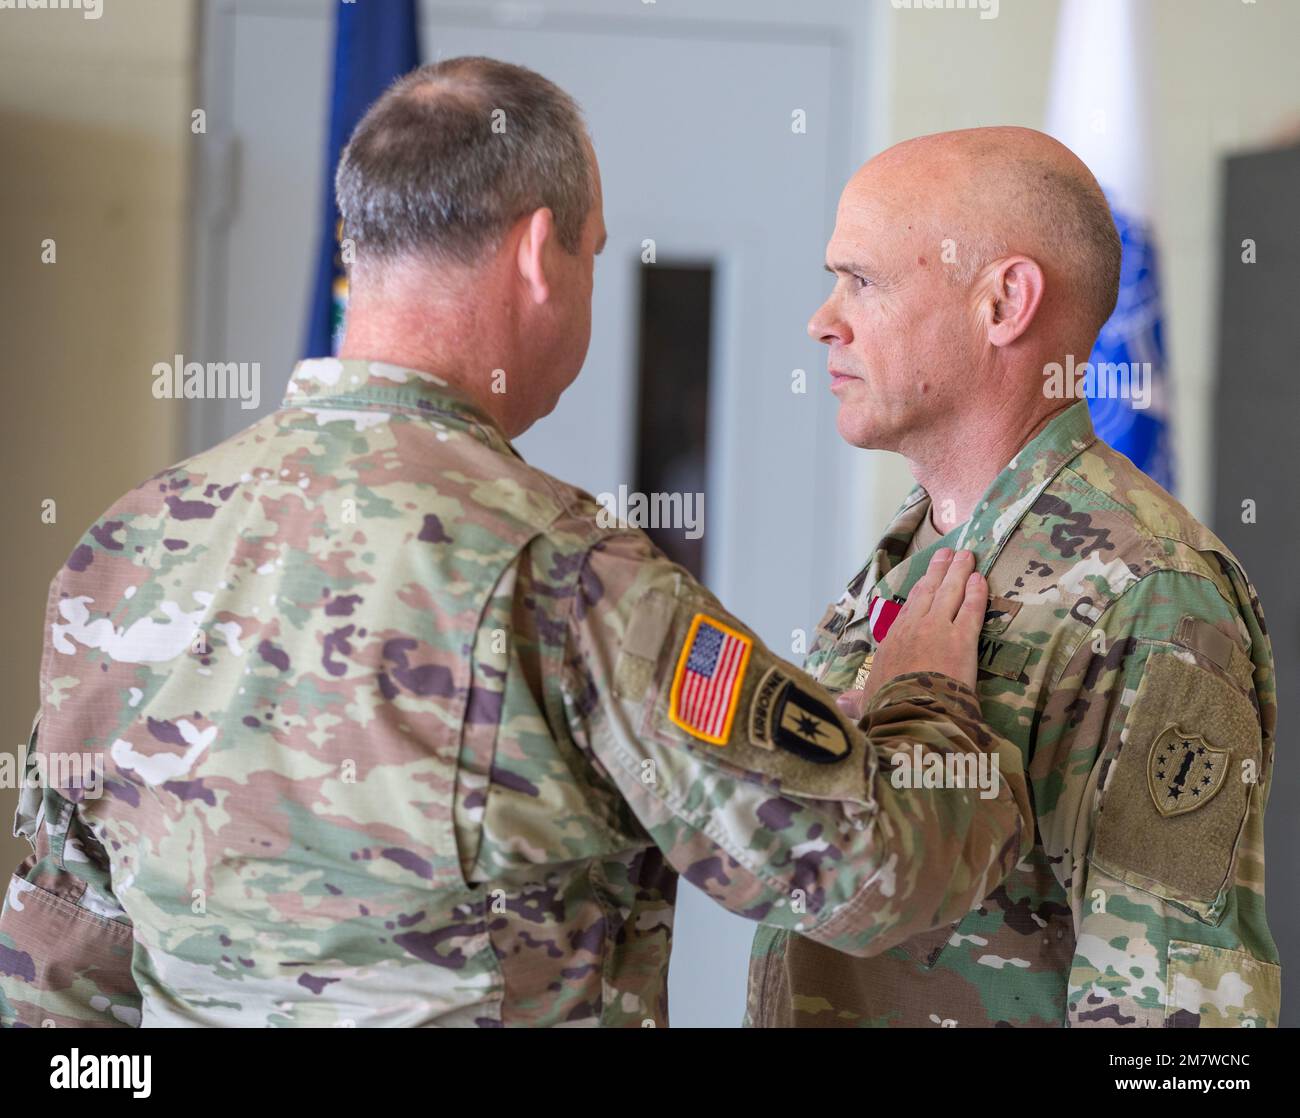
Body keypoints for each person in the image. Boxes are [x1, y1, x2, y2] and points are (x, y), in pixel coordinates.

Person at [0, 59, 1030, 1029]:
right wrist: (924, 701)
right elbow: (867, 869)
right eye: (593, 252)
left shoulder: (122, 548)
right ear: (543, 254)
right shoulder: (566, 570)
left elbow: (62, 958)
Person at [746, 126, 1280, 1029]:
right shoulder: (917, 550)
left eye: (862, 281)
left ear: (1003, 304)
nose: (823, 319)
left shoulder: (1150, 595)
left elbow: (1180, 1032)